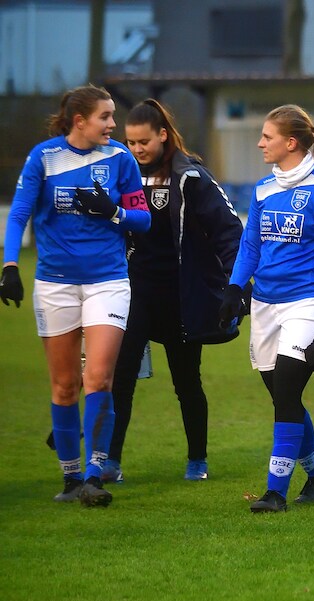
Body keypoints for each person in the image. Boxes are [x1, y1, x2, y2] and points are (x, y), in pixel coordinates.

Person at [1, 85, 151, 506]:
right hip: (56, 283)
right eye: (105, 116)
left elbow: (142, 221)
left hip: (108, 281)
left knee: (99, 378)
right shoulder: (43, 157)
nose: (113, 124)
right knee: (64, 385)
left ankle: (94, 474)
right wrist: (10, 265)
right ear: (79, 120)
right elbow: (18, 214)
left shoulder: (120, 159)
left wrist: (113, 211)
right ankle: (69, 479)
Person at [102, 98, 244, 483]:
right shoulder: (119, 172)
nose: (136, 149)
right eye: (129, 142)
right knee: (122, 377)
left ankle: (197, 460)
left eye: (143, 141)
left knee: (187, 383)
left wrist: (237, 283)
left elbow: (229, 230)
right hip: (134, 295)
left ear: (163, 135)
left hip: (183, 297)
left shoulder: (189, 176)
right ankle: (110, 461)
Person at [222, 104, 314, 513]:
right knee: (281, 395)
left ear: (290, 143)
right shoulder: (261, 190)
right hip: (265, 304)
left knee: (288, 390)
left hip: (309, 302)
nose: (260, 142)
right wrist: (234, 287)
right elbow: (250, 246)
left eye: (267, 136)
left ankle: (275, 491)